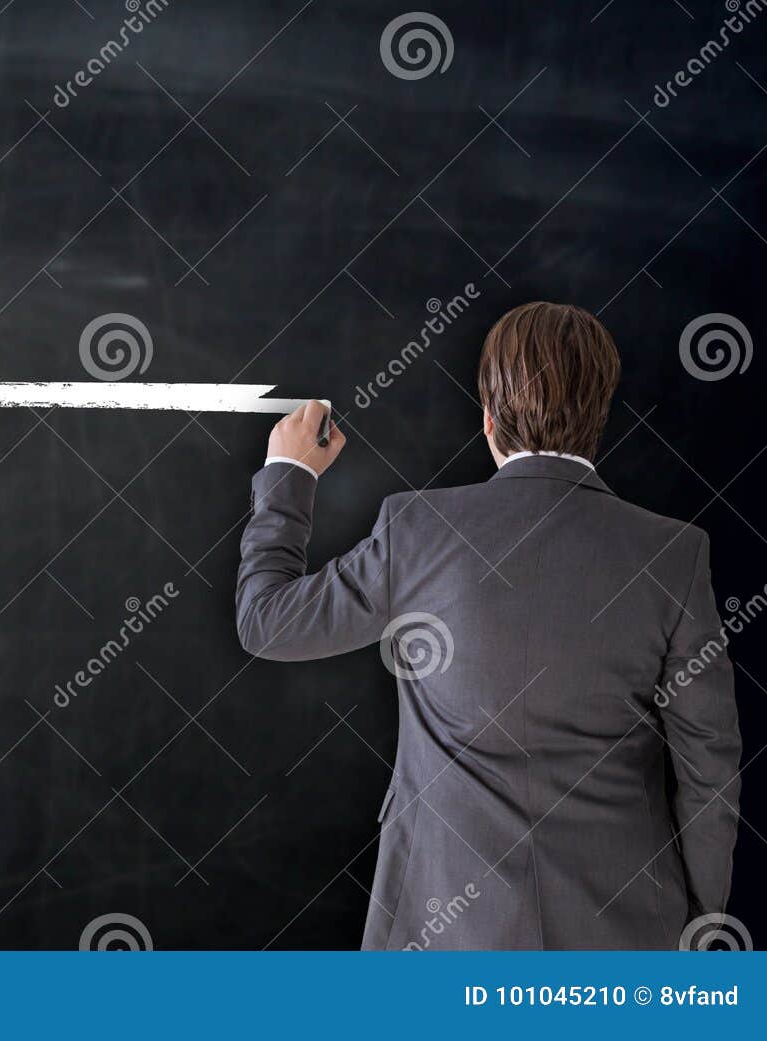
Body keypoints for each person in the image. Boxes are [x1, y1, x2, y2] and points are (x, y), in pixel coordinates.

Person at [236, 301, 741, 949]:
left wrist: (290, 473)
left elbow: (266, 622)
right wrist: (695, 916)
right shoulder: (673, 555)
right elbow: (711, 770)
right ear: (600, 416)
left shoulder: (418, 532)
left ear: (488, 416)